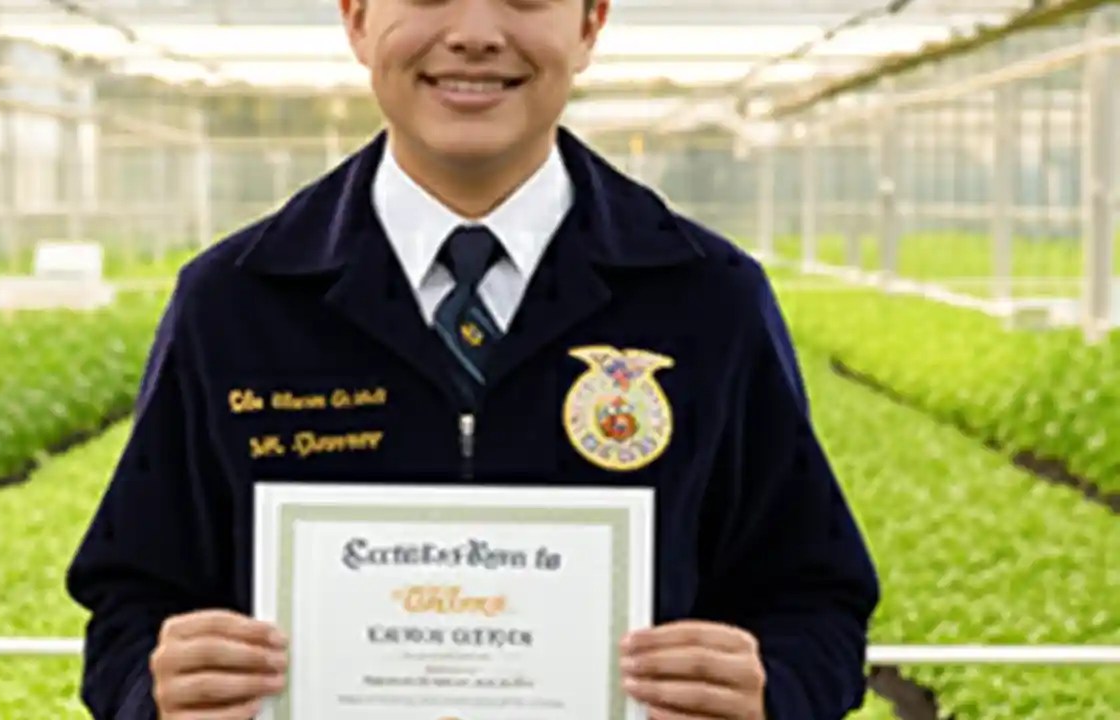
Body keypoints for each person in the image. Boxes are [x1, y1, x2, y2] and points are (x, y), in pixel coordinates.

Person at [64, 0, 881, 718]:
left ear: (591, 22)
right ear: (355, 17)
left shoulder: (709, 299)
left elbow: (816, 601)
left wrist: (773, 689)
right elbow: (129, 607)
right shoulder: (235, 301)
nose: (475, 34)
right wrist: (155, 689)